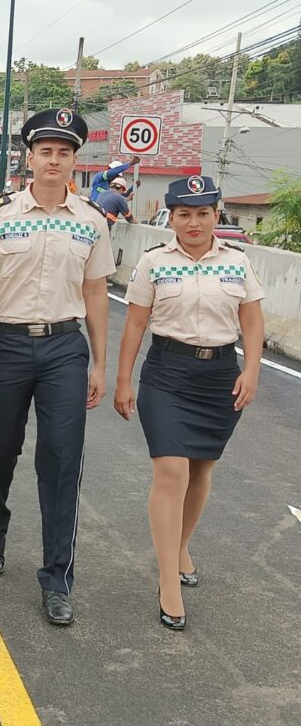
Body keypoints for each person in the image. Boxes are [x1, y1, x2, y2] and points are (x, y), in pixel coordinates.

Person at [0, 108, 115, 626]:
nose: (54, 159)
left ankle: (56, 577)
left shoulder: (92, 221)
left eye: (64, 152)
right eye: (45, 151)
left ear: (75, 160)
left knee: (62, 458)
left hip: (66, 348)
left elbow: (96, 292)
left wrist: (99, 362)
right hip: (7, 344)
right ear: (30, 156)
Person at [114, 175, 263, 631]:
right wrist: (123, 380)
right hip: (167, 374)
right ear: (171, 218)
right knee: (172, 469)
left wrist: (252, 370)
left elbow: (253, 321)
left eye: (203, 213)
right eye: (184, 215)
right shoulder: (154, 263)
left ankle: (180, 546)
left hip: (218, 376)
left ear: (217, 215)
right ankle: (168, 582)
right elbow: (136, 325)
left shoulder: (238, 263)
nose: (193, 223)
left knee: (201, 470)